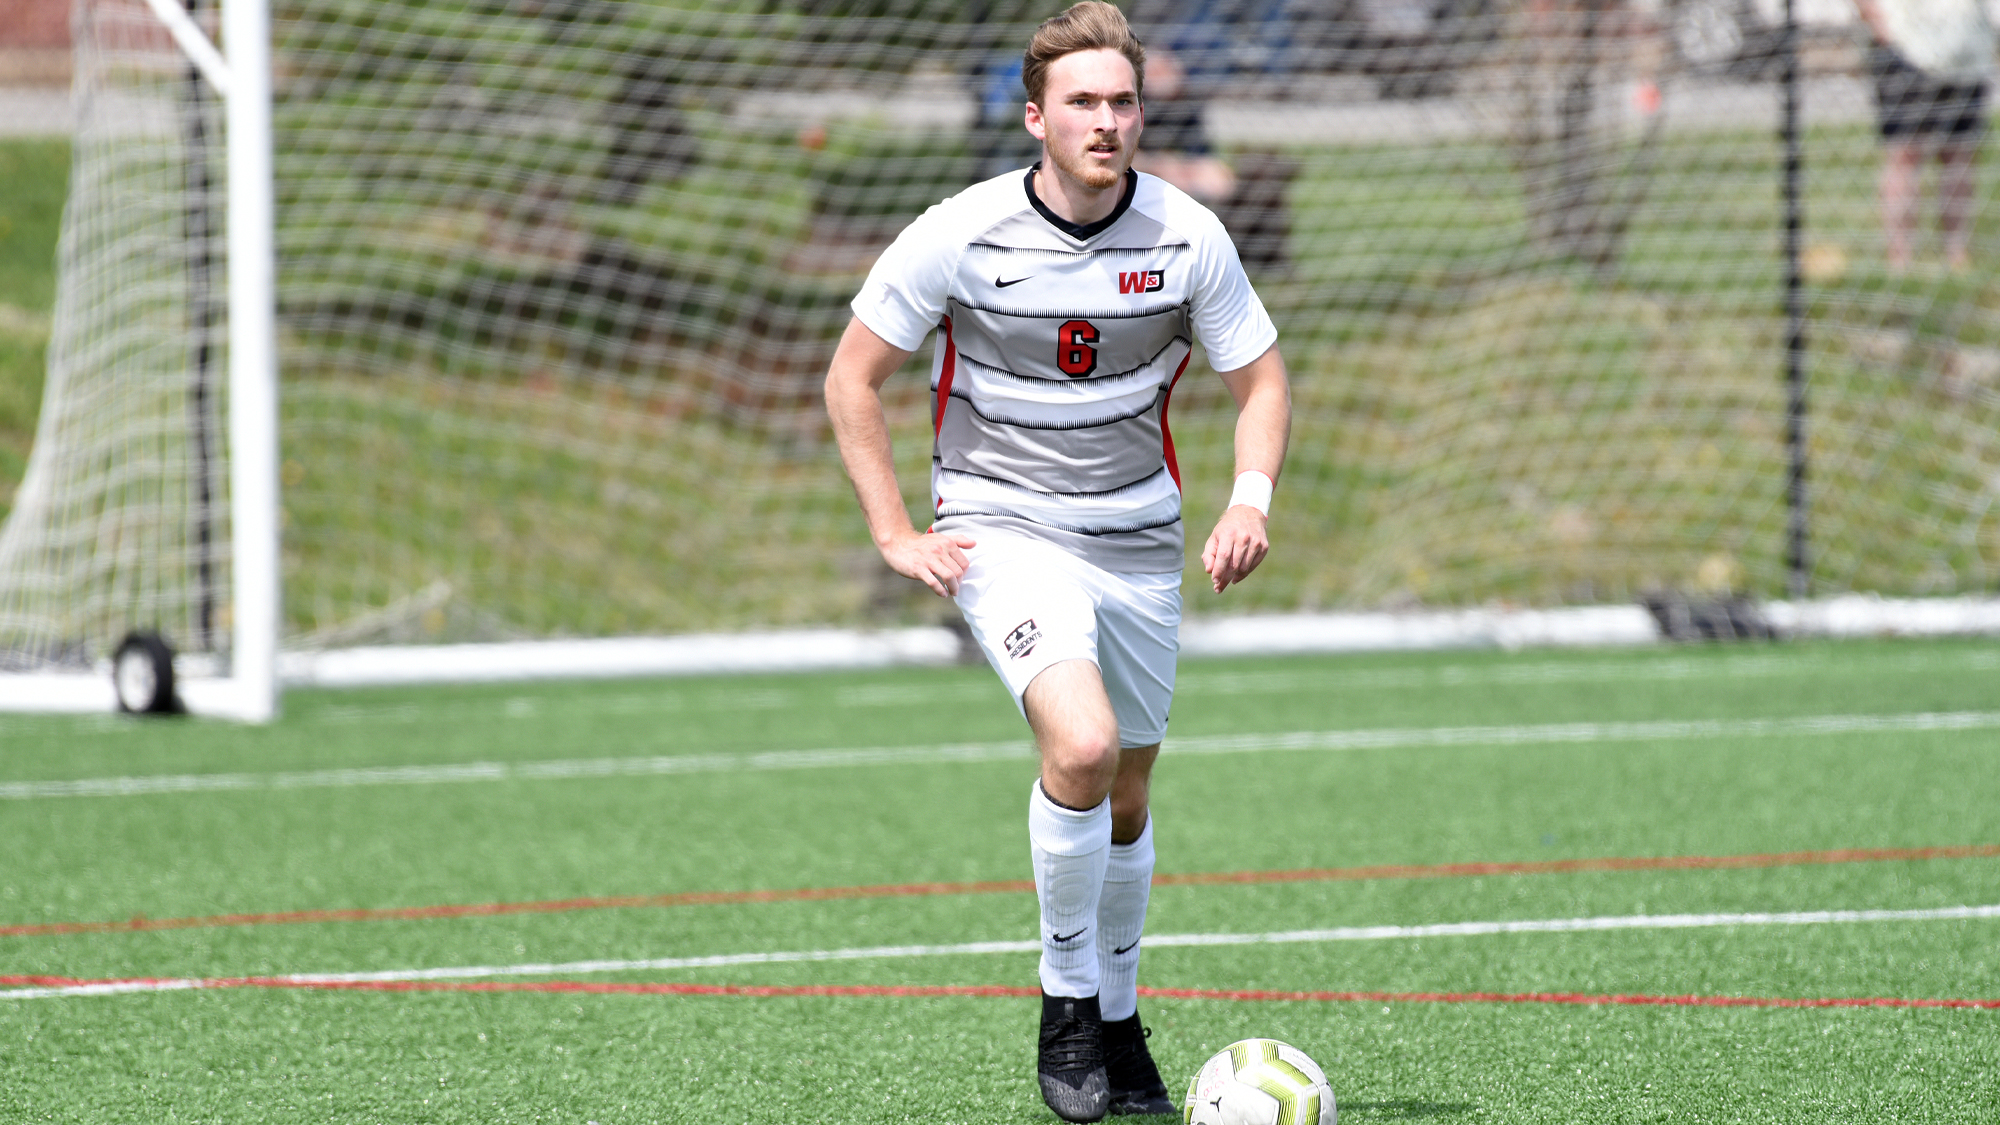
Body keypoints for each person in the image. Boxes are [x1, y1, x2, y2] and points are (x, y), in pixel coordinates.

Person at [822, 3, 1291, 1120]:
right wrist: (895, 532)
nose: (1107, 120)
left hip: (1134, 539)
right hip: (1004, 528)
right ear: (1035, 117)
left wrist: (1249, 501)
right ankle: (1065, 1003)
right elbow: (852, 378)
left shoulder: (1186, 235)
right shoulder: (958, 233)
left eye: (1123, 101)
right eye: (1082, 101)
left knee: (1126, 794)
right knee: (1077, 748)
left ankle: (1120, 1026)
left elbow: (1260, 381)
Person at [1857, 0, 1995, 270]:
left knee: (1959, 154)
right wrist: (1880, 23)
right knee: (1904, 153)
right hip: (1905, 43)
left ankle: (1956, 255)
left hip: (1965, 49)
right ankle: (1900, 259)